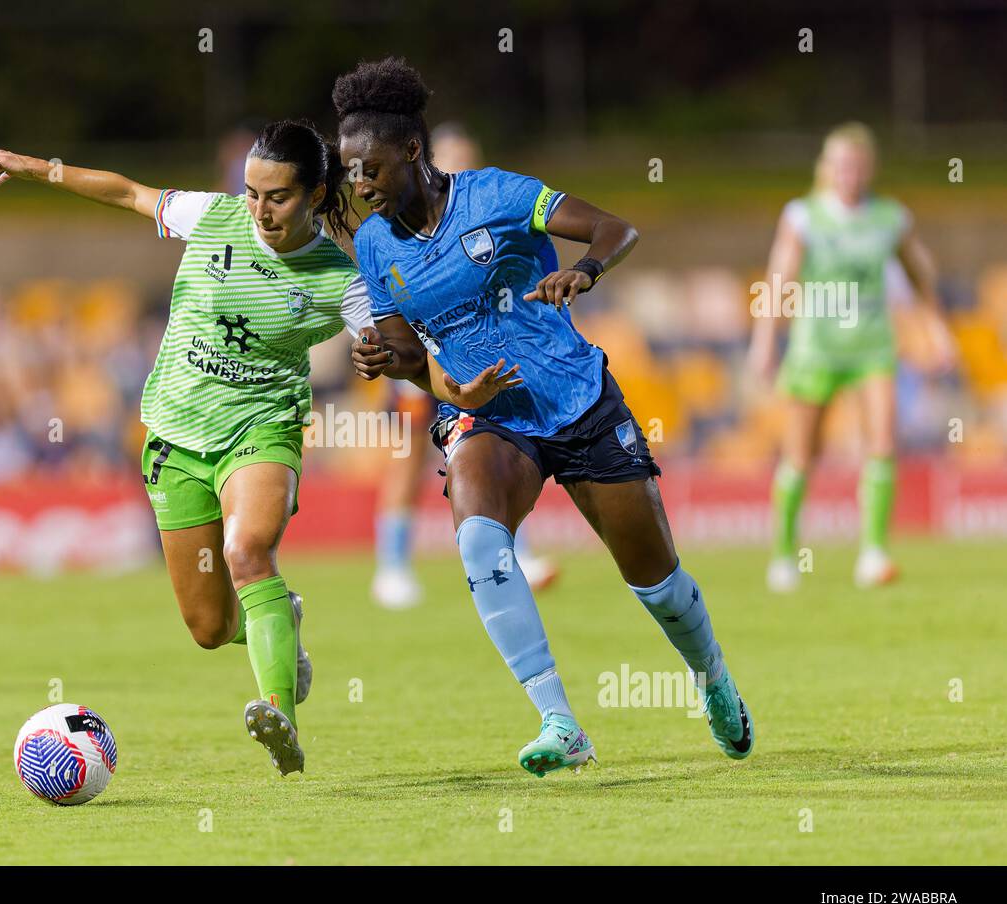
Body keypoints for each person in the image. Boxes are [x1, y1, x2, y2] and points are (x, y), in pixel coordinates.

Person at [0, 121, 507, 776]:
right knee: (209, 628)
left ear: (314, 194)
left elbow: (407, 359)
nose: (259, 209)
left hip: (261, 430)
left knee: (248, 550)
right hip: (175, 437)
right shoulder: (212, 216)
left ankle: (279, 712)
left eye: (276, 196)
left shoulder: (344, 280)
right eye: (251, 193)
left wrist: (454, 388)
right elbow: (128, 193)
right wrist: (35, 166)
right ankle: (280, 623)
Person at [339, 57, 753, 776]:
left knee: (657, 584)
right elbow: (407, 349)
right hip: (488, 416)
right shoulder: (374, 244)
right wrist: (383, 357)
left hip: (576, 399)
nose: (359, 184)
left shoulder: (496, 194)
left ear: (411, 150)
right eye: (348, 172)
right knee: (477, 539)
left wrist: (581, 271)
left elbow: (614, 229)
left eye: (369, 167)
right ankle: (559, 721)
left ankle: (712, 676)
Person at [748, 122, 957, 592]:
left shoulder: (890, 218)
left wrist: (938, 328)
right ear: (827, 168)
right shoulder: (803, 217)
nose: (850, 173)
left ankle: (874, 553)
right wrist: (764, 343)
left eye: (858, 165)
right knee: (802, 455)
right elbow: (779, 281)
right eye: (842, 164)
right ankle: (783, 555)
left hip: (873, 348)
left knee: (883, 444)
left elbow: (920, 275)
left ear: (869, 169)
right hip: (815, 350)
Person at [370, 121, 559, 609]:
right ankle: (391, 564)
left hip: (474, 358)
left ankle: (518, 552)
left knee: (503, 446)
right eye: (455, 161)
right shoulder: (398, 230)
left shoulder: (481, 215)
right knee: (408, 457)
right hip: (424, 358)